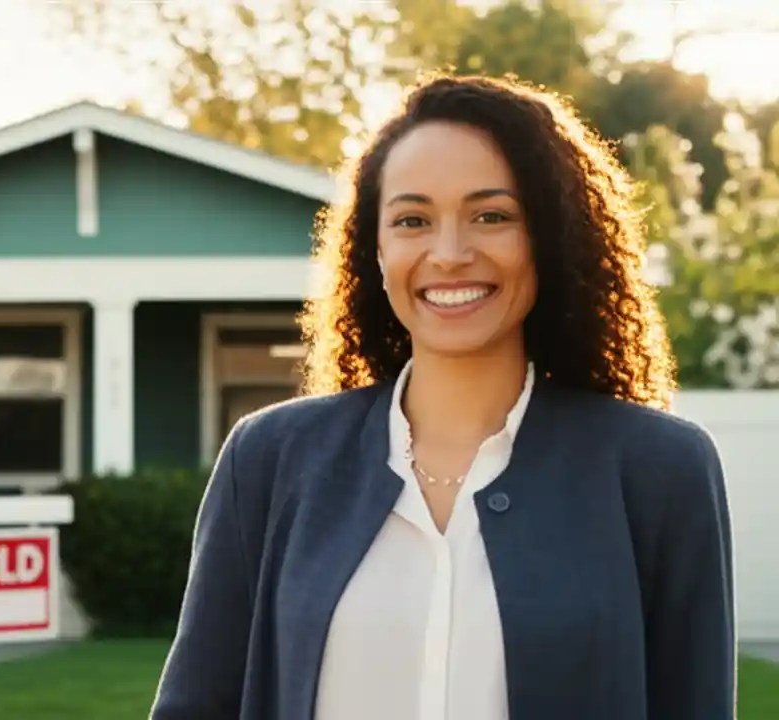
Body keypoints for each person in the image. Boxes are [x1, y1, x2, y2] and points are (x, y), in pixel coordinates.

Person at [149, 74, 735, 720]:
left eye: (492, 216)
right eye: (413, 220)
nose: (450, 253)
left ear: (548, 237)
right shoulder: (269, 459)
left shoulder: (659, 470)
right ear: (376, 249)